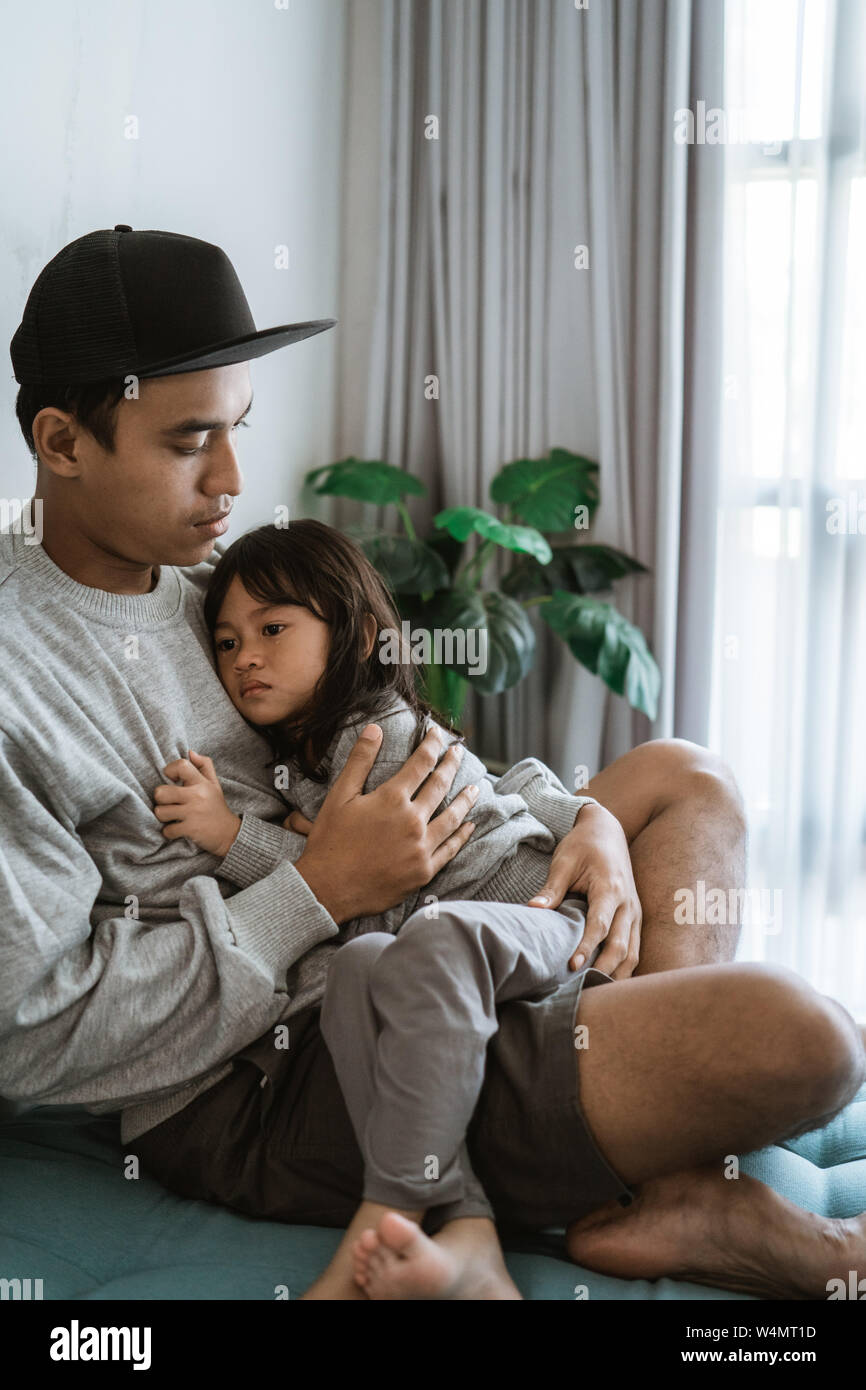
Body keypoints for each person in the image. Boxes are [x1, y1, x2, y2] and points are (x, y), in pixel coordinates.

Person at [1, 226, 863, 1302]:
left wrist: (579, 819)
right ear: (62, 439)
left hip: (426, 947)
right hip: (275, 1066)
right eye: (188, 442)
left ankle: (676, 1178)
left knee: (688, 776)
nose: (232, 478)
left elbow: (398, 751)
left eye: (237, 431)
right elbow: (31, 1038)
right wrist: (317, 891)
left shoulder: (217, 590)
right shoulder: (18, 676)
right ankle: (676, 1171)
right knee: (806, 1039)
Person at [156, 515, 632, 1300]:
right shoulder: (315, 749)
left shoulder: (369, 732)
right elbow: (359, 888)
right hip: (472, 947)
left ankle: (386, 1218)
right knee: (360, 969)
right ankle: (466, 1231)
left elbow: (371, 885)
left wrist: (231, 834)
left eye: (273, 628)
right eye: (228, 642)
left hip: (548, 920)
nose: (246, 659)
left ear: (357, 632)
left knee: (422, 937)